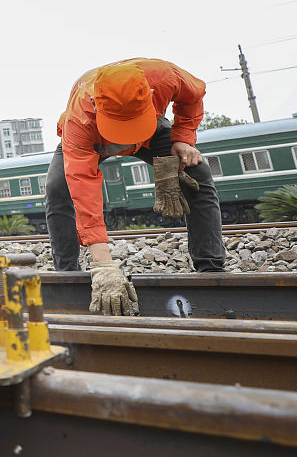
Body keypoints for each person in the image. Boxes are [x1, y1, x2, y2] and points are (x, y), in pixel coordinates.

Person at [45, 58, 227, 316]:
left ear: (150, 94)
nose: (126, 138)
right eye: (122, 128)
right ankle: (67, 275)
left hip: (151, 130)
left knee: (197, 172)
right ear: (96, 105)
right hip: (96, 136)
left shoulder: (165, 77)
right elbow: (84, 191)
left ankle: (211, 268)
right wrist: (103, 265)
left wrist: (183, 139)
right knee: (57, 188)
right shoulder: (79, 121)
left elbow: (193, 96)